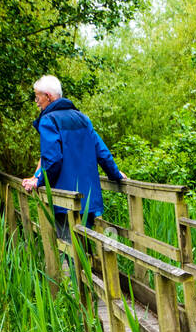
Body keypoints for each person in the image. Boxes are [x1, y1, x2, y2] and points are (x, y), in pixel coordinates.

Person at [21, 75, 125, 245]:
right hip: (87, 197)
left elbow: (53, 159)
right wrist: (116, 174)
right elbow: (102, 152)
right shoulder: (83, 118)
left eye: (37, 96)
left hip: (65, 198)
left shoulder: (48, 120)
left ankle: (72, 272)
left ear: (48, 96)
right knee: (83, 245)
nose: (36, 101)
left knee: (68, 250)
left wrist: (38, 181)